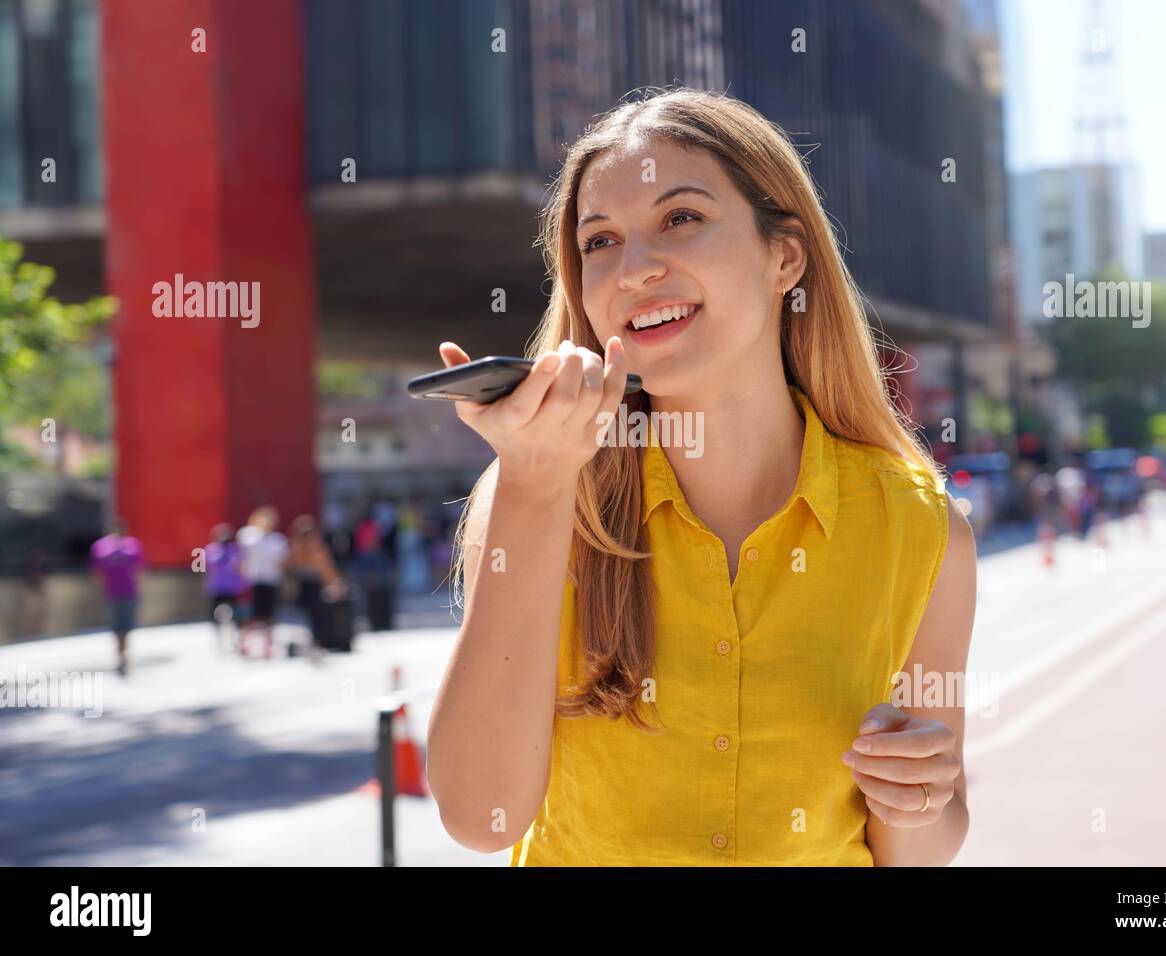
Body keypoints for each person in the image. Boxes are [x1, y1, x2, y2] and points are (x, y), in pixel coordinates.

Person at [425, 88, 977, 867]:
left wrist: (917, 794)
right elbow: (482, 817)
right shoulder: (539, 491)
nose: (635, 270)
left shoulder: (923, 530)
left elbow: (921, 849)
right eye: (600, 241)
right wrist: (533, 486)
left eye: (680, 219)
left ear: (784, 257)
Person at [90, 519, 145, 675]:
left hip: (130, 592)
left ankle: (123, 652)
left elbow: (139, 567)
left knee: (127, 626)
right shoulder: (100, 546)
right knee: (116, 626)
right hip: (112, 593)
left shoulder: (133, 544)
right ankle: (121, 654)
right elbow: (97, 570)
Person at [286, 514, 345, 654]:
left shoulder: (318, 548)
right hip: (301, 585)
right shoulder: (295, 548)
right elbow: (291, 568)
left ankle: (318, 641)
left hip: (315, 585)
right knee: (300, 616)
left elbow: (326, 569)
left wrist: (335, 584)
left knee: (318, 613)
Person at [237, 506, 288, 658]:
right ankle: (245, 645)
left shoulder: (277, 541)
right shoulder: (248, 536)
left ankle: (267, 646)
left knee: (269, 616)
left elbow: (282, 561)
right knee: (249, 615)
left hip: (270, 580)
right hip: (252, 580)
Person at [203, 524, 245, 651]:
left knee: (236, 615)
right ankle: (218, 640)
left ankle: (236, 640)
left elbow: (239, 566)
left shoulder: (235, 549)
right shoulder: (210, 550)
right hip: (216, 588)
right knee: (215, 616)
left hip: (232, 587)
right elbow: (207, 566)